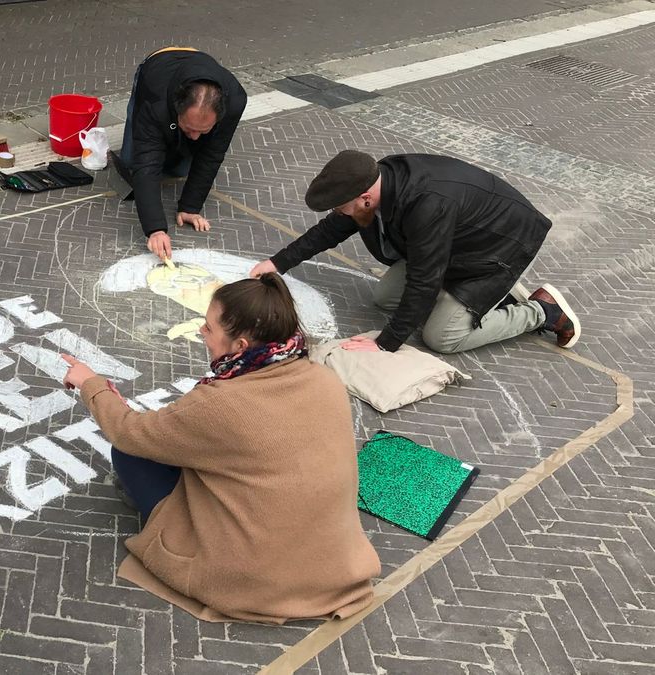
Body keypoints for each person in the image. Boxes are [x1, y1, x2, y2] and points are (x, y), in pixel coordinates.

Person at [61, 275, 380, 623]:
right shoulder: (324, 379)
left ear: (240, 345)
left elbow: (129, 433)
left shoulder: (220, 403)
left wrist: (91, 384)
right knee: (185, 446)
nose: (201, 331)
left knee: (130, 454)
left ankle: (170, 526)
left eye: (209, 328)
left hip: (255, 578)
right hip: (332, 559)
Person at [249, 150, 580, 354]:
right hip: (453, 243)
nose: (339, 213)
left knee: (442, 338)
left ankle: (542, 311)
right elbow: (333, 228)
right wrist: (277, 263)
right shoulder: (380, 180)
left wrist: (385, 343)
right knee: (386, 298)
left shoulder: (426, 206)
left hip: (498, 249)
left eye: (340, 207)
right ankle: (489, 299)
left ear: (365, 198)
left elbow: (424, 280)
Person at [111, 48, 247, 263]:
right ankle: (168, 130)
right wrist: (155, 229)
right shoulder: (155, 99)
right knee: (133, 160)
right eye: (189, 127)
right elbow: (147, 163)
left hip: (196, 69)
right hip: (156, 68)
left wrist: (190, 207)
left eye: (203, 130)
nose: (195, 137)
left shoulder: (236, 101)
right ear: (177, 108)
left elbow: (212, 155)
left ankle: (185, 132)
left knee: (178, 166)